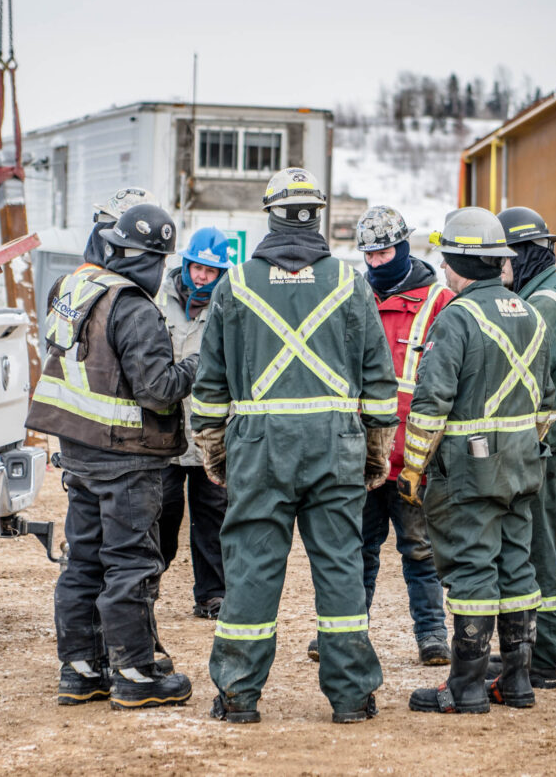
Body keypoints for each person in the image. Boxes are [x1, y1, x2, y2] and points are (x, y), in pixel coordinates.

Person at [190, 167, 398, 725]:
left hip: (259, 449)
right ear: (317, 215)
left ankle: (238, 694)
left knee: (253, 568)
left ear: (270, 214)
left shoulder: (234, 284)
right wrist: (376, 451)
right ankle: (352, 696)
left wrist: (214, 452)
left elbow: (209, 388)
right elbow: (379, 382)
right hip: (335, 446)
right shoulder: (351, 283)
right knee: (340, 568)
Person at [26, 203, 199, 710]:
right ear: (154, 259)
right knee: (131, 564)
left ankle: (82, 670)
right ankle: (135, 674)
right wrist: (196, 363)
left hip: (79, 453)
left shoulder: (75, 289)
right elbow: (159, 390)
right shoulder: (136, 307)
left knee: (82, 561)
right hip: (126, 458)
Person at [399, 207, 555, 714]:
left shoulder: (457, 317)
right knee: (516, 569)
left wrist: (412, 470)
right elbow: (546, 402)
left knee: (471, 573)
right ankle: (515, 682)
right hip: (521, 469)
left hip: (467, 474)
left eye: (446, 261)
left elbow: (430, 405)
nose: (442, 269)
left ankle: (465, 686)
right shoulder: (531, 313)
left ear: (461, 261)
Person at [344, 204, 454, 666]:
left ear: (404, 247)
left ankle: (431, 636)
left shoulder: (439, 303)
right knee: (356, 552)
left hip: (414, 456)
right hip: (363, 455)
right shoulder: (353, 296)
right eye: (368, 255)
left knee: (420, 553)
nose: (374, 264)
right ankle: (346, 631)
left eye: (383, 253)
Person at [487, 205, 556, 694]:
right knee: (533, 546)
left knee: (536, 550)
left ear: (524, 254)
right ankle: (522, 651)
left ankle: (543, 656)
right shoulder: (552, 289)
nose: (499, 268)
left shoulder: (543, 305)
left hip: (547, 443)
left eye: (504, 258)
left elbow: (533, 386)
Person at [154, 227, 232, 620]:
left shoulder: (231, 307)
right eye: (196, 267)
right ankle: (146, 584)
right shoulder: (155, 299)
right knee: (161, 511)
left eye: (210, 271)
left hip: (210, 432)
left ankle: (212, 594)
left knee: (212, 516)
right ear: (184, 264)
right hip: (163, 431)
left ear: (222, 274)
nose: (201, 277)